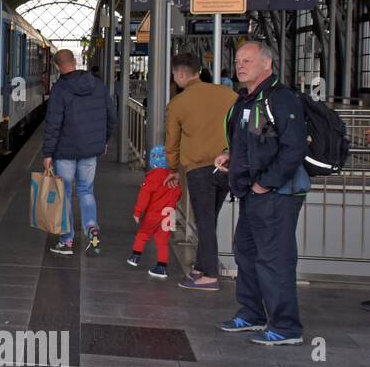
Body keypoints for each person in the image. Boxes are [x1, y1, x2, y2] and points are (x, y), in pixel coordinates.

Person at [215, 41, 310, 346]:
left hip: (276, 194)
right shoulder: (247, 100)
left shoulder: (280, 99)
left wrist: (266, 183)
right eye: (239, 60)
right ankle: (253, 313)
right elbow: (255, 141)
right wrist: (229, 156)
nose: (240, 65)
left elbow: (294, 147)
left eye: (248, 61)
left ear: (266, 64)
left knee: (274, 258)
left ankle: (286, 326)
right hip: (253, 193)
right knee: (246, 251)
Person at [165, 52, 238, 292]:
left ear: (182, 74)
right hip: (227, 167)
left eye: (175, 74)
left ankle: (209, 276)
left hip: (199, 170)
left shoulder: (178, 103)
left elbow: (172, 142)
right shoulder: (229, 95)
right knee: (210, 219)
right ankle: (200, 266)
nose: (175, 79)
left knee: (204, 221)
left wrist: (172, 169)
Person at [42, 49, 118, 256]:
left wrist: (47, 153)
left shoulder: (59, 90)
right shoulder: (98, 85)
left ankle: (66, 241)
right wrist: (103, 141)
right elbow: (112, 117)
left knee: (64, 194)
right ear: (75, 62)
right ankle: (91, 229)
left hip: (65, 152)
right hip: (90, 150)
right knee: (86, 190)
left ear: (57, 67)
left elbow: (53, 125)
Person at [128, 144, 181, 279]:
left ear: (153, 161)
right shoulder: (173, 178)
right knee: (163, 242)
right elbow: (179, 193)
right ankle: (162, 267)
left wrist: (137, 212)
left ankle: (135, 257)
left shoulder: (152, 177)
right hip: (169, 214)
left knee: (142, 234)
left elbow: (144, 196)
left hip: (154, 214)